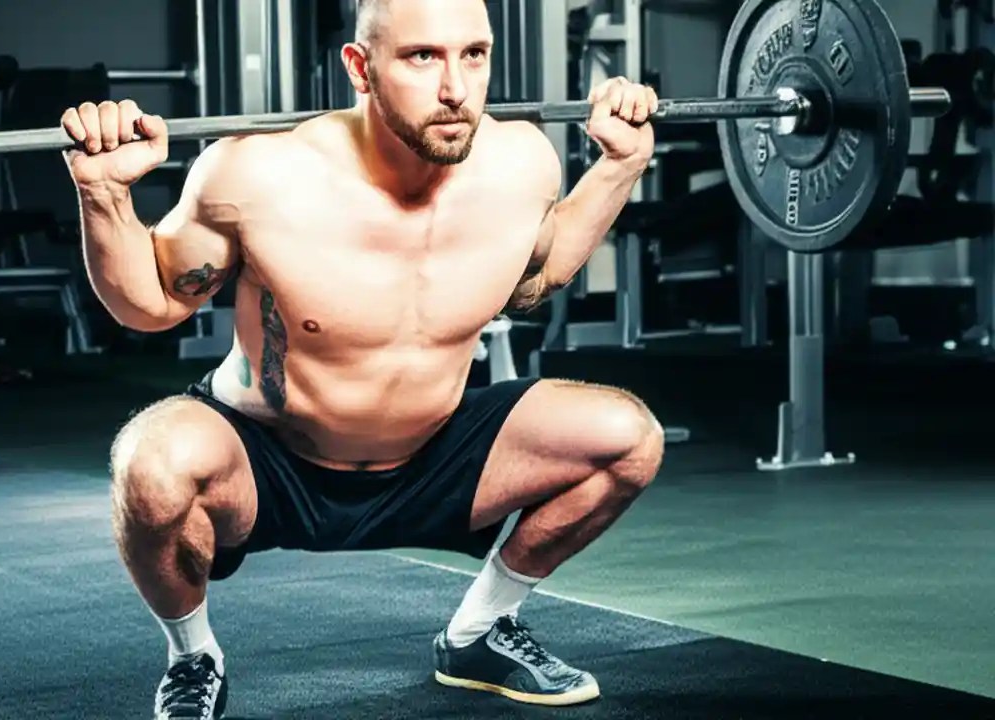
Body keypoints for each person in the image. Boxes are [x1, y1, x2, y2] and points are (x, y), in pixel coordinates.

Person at [62, 0, 663, 717]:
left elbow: (536, 279)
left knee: (628, 440)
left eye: (474, 54)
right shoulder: (257, 176)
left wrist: (619, 168)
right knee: (148, 463)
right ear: (360, 67)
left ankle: (479, 630)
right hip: (270, 458)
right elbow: (150, 304)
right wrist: (103, 194)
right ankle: (193, 658)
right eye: (422, 57)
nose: (456, 88)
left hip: (434, 454)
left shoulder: (520, 164)